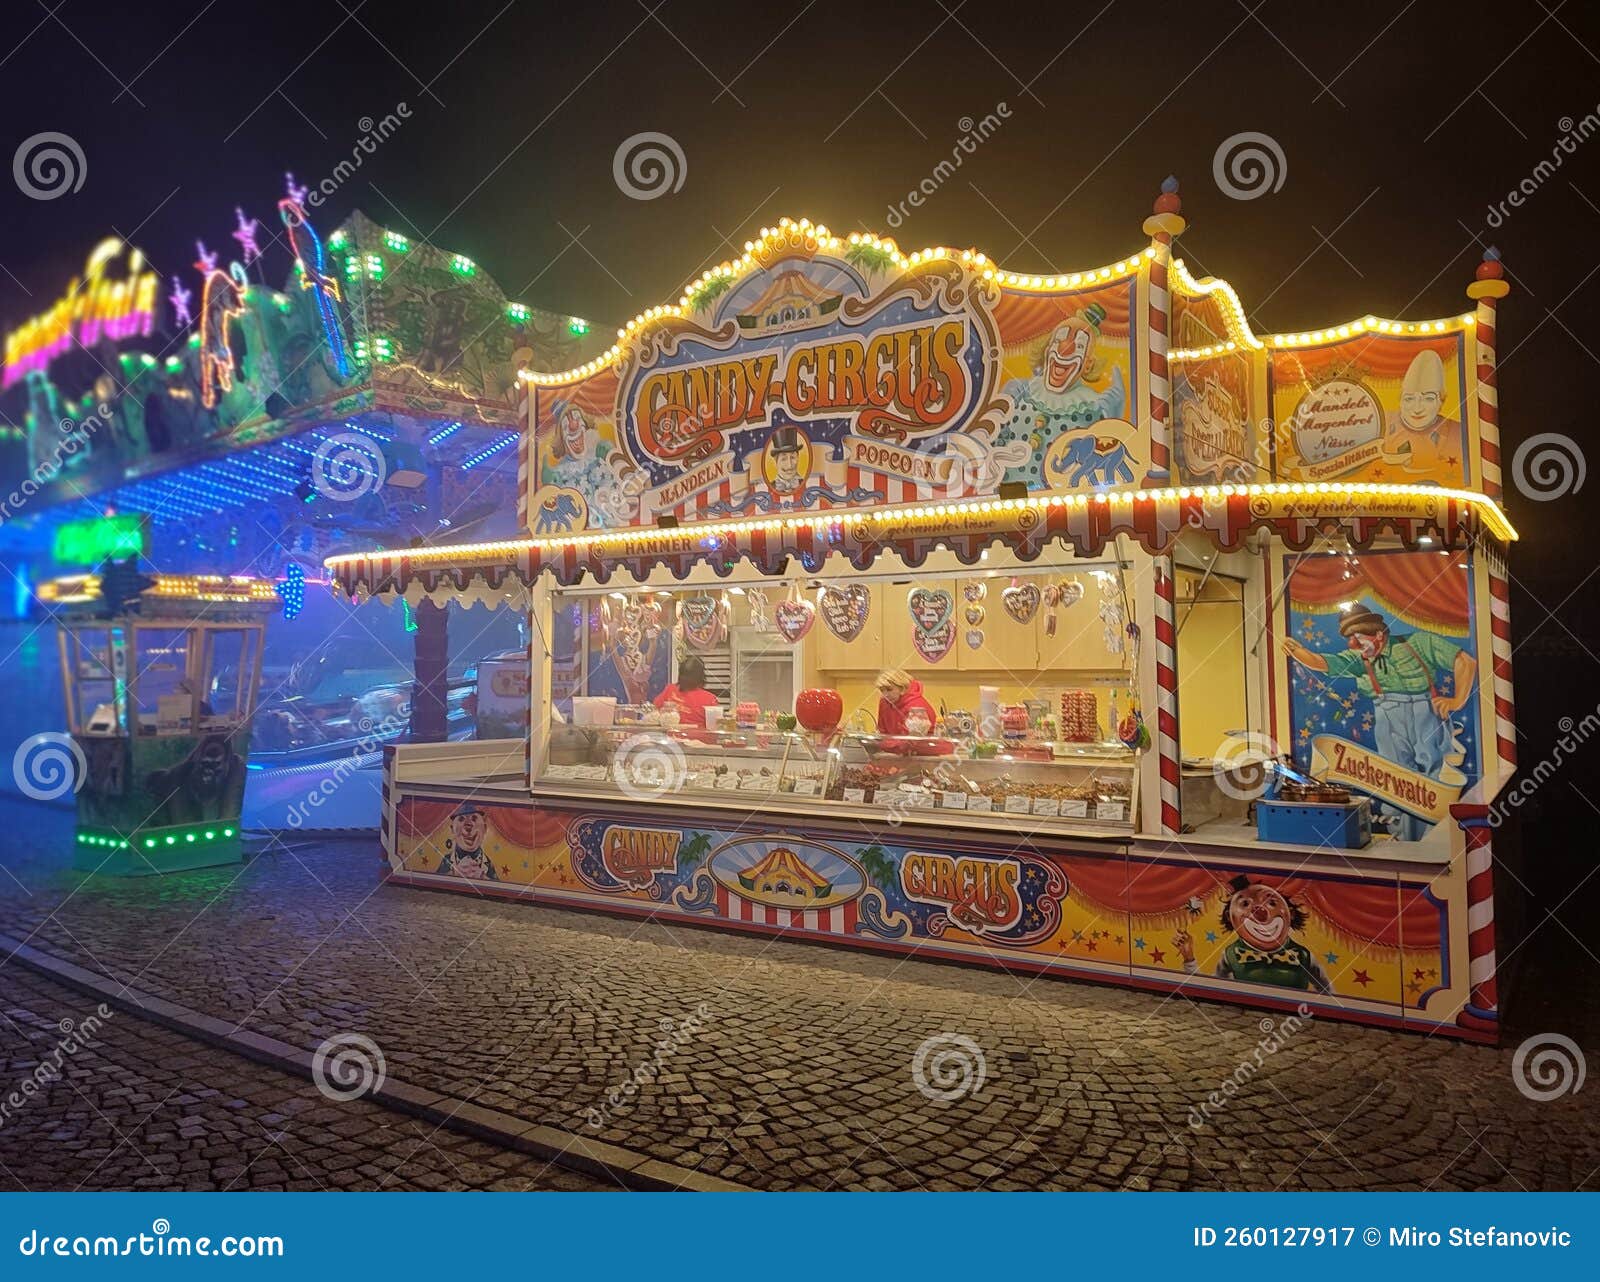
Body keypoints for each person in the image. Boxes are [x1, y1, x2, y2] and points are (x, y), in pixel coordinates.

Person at [1282, 606, 1476, 841]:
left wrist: (1457, 700)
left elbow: (1465, 661)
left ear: (1379, 634)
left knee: (1433, 775)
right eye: (1349, 639)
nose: (1353, 644)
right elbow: (1322, 662)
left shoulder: (1419, 643)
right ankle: (1403, 840)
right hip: (1386, 716)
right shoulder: (1358, 659)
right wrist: (1297, 650)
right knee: (1396, 780)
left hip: (1425, 712)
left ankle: (1437, 838)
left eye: (1358, 638)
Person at [654, 654, 719, 725]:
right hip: (670, 731)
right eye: (684, 676)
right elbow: (654, 711)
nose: (685, 679)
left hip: (697, 732)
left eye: (687, 676)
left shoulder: (710, 699)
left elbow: (715, 726)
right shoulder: (670, 689)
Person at [874, 668, 937, 735]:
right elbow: (882, 732)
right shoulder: (884, 702)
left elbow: (915, 738)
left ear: (902, 688)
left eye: (889, 690)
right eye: (882, 690)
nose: (885, 695)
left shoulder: (917, 706)